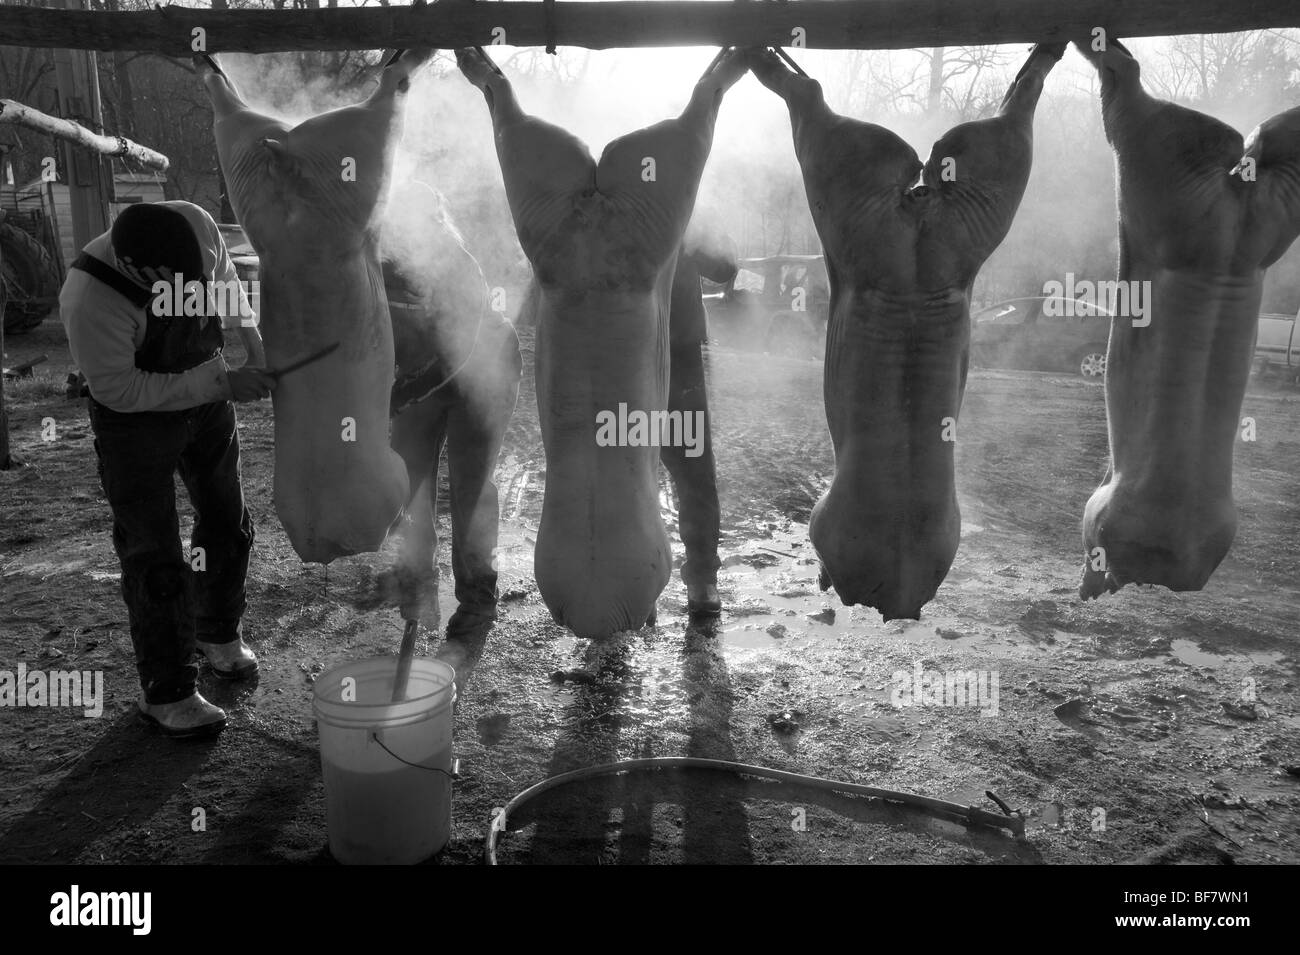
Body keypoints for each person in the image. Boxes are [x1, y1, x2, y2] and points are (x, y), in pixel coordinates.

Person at [60, 201, 276, 737]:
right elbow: (121, 390)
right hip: (135, 424)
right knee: (155, 553)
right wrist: (223, 384)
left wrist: (255, 347)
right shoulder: (91, 298)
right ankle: (167, 691)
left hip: (206, 401)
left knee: (228, 519)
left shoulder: (197, 226)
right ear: (142, 272)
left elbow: (226, 284)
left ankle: (218, 630)